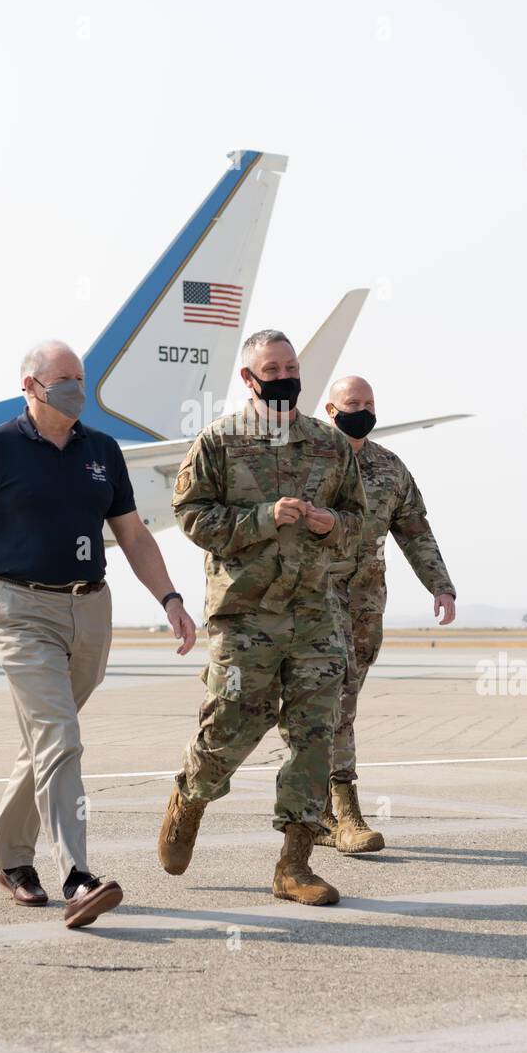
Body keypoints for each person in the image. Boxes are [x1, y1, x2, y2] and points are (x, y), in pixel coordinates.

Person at [0, 339, 196, 929]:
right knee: (61, 738)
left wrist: (171, 597)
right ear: (30, 386)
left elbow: (133, 535)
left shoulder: (102, 451)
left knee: (45, 742)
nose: (76, 389)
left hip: (91, 609)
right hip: (20, 610)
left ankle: (10, 860)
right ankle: (78, 875)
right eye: (63, 379)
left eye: (80, 378)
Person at [157, 330, 366, 905]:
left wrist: (332, 525)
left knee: (313, 738)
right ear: (248, 379)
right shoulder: (219, 441)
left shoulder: (329, 445)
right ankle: (190, 799)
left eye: (291, 365)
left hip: (316, 612)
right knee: (230, 728)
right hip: (246, 615)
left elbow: (359, 519)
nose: (284, 375)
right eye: (271, 368)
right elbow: (190, 515)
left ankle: (294, 864)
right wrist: (260, 519)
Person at [318, 374, 456, 853]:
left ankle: (323, 810)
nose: (363, 409)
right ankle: (340, 809)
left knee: (343, 700)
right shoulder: (306, 459)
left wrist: (440, 585)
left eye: (369, 402)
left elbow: (415, 531)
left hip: (365, 604)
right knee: (323, 702)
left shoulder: (390, 467)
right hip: (310, 598)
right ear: (330, 411)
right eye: (352, 402)